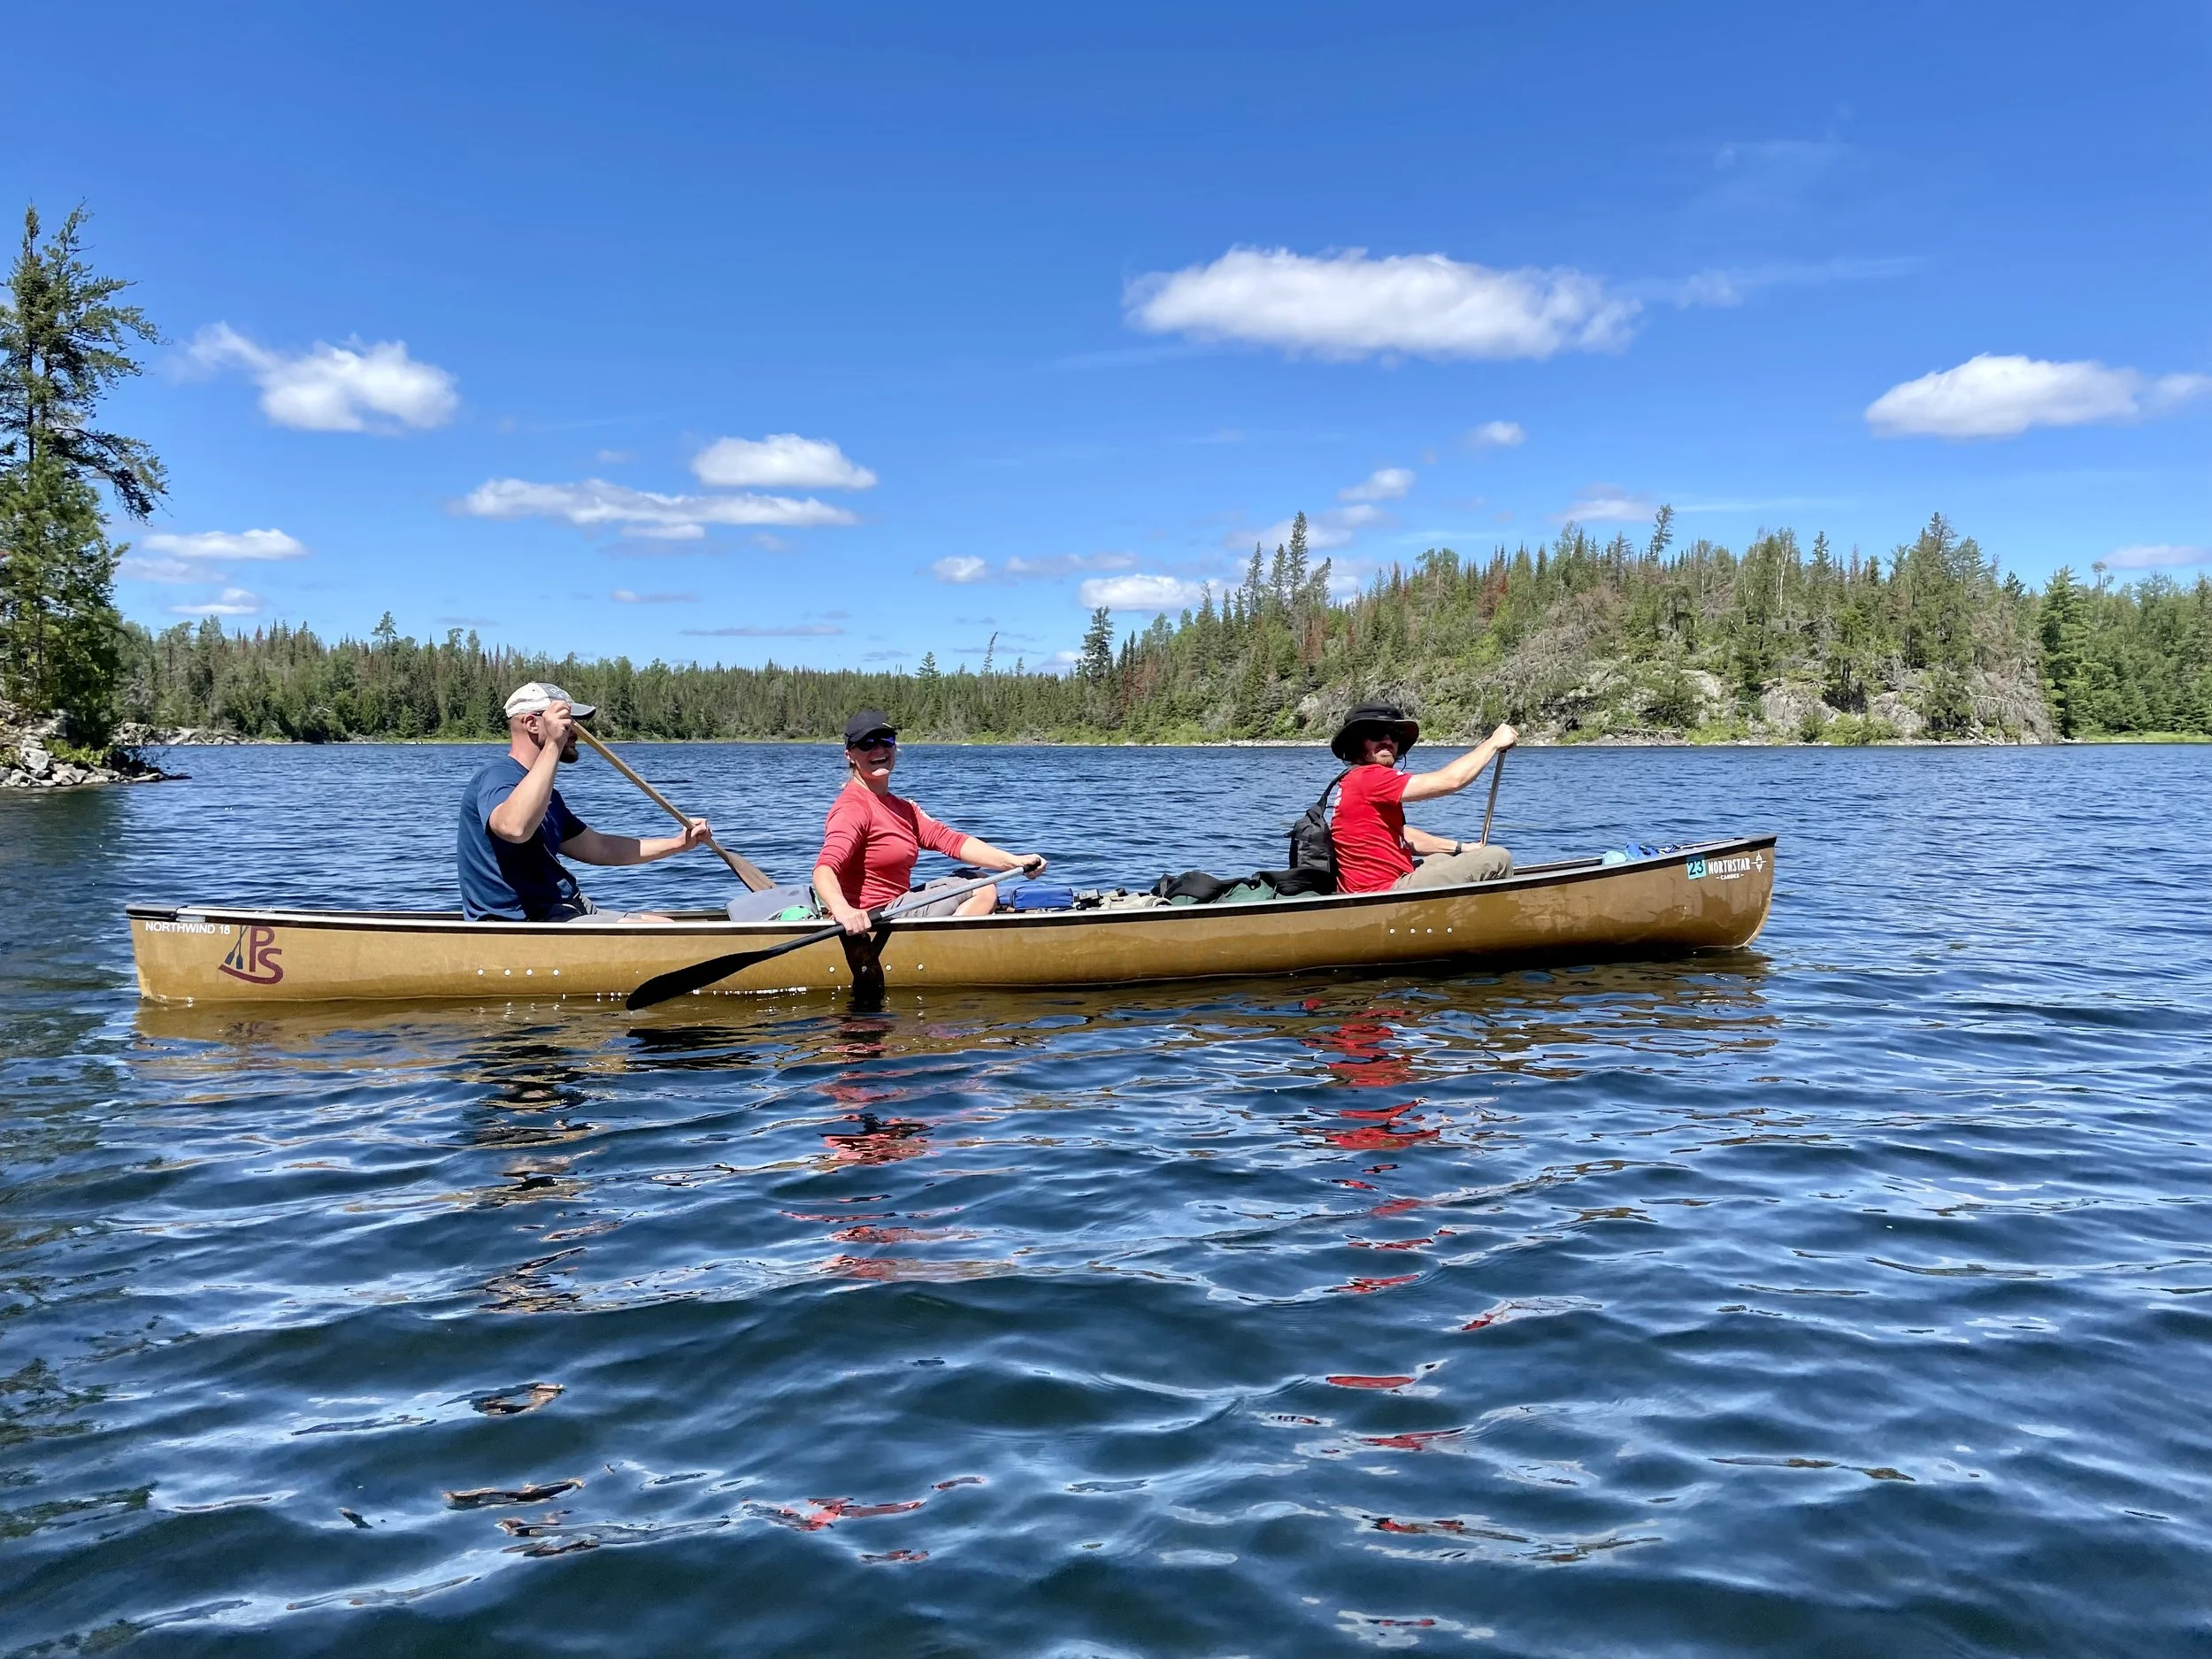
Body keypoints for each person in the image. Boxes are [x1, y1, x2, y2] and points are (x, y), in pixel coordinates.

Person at [457, 681, 714, 921]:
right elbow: (514, 828)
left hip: (569, 908)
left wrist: (680, 843)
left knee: (663, 924)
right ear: (532, 724)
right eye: (567, 721)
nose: (576, 731)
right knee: (664, 934)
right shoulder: (497, 777)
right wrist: (553, 746)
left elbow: (600, 848)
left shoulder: (548, 796)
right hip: (529, 921)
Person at [814, 710, 1045, 934]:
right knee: (983, 888)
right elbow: (824, 869)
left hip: (896, 907)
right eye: (866, 744)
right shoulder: (852, 808)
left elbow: (952, 842)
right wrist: (843, 910)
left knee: (977, 878)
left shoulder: (903, 809)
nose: (879, 749)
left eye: (885, 740)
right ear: (850, 755)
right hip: (872, 919)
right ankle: (947, 952)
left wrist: (1013, 862)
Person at [1327, 703, 1518, 895]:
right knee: (1496, 858)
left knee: (1442, 859)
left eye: (1394, 735)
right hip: (1380, 891)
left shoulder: (1354, 779)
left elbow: (1402, 835)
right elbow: (1451, 781)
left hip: (1382, 883)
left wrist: (1461, 848)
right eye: (1376, 733)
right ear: (1357, 742)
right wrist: (1493, 743)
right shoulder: (1369, 777)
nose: (1387, 740)